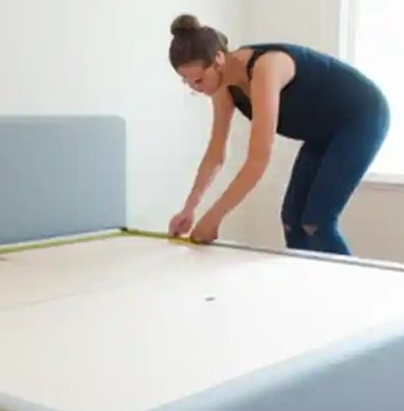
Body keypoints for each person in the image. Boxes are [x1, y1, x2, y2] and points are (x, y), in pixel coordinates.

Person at [165, 14, 390, 255]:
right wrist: (189, 209)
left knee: (317, 222)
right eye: (187, 82)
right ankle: (304, 278)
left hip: (361, 115)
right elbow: (215, 155)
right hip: (323, 131)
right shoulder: (221, 87)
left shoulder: (266, 68)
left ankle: (347, 280)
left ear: (218, 59)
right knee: (291, 219)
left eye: (198, 80)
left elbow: (257, 161)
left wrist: (214, 218)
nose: (195, 89)